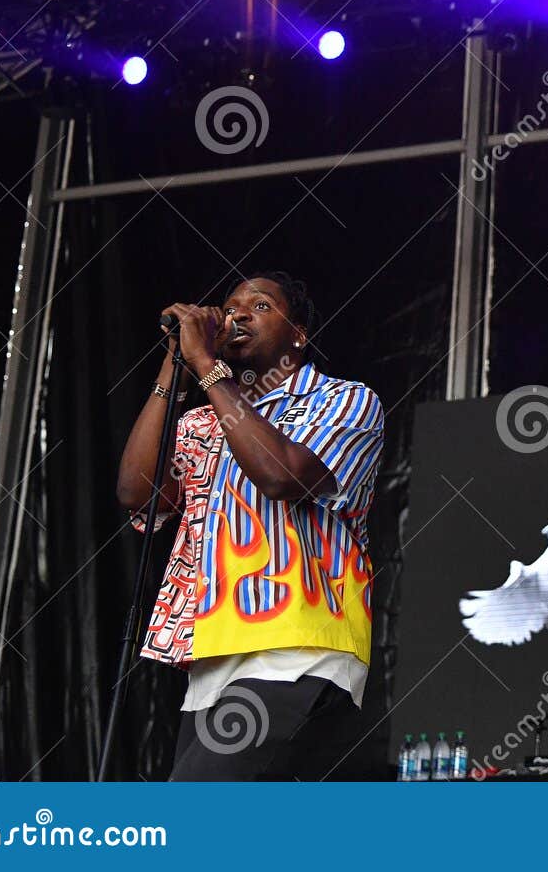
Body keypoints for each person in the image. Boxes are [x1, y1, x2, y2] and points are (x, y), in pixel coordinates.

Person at [115, 272, 384, 780]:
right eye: (230, 307)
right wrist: (175, 362)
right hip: (213, 649)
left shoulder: (346, 402)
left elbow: (282, 476)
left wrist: (206, 366)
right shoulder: (202, 422)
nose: (237, 314)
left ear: (298, 335)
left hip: (297, 647)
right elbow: (139, 494)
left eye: (259, 306)